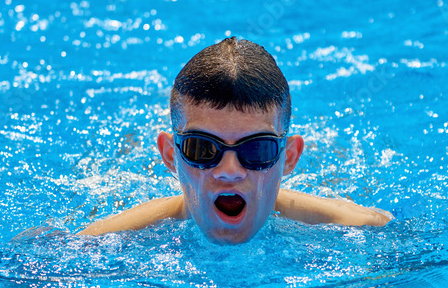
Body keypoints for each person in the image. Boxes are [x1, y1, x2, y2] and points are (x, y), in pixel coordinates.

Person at [74, 36, 393, 244]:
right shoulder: (108, 238)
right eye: (202, 148)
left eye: (257, 149)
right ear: (171, 156)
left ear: (290, 157)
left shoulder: (359, 229)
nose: (229, 170)